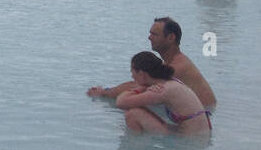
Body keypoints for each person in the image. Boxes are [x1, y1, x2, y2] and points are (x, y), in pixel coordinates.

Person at [87, 17, 216, 112]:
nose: (149, 37)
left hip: (205, 112)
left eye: (154, 34)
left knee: (132, 112)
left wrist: (105, 93)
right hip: (196, 110)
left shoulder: (178, 66)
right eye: (150, 33)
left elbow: (138, 85)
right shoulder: (170, 62)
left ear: (171, 38)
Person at [115, 52, 211, 135]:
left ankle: (138, 147)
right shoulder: (171, 82)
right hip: (199, 134)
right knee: (139, 107)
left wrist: (139, 89)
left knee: (132, 114)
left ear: (141, 73)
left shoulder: (161, 90)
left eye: (132, 72)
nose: (132, 76)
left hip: (189, 138)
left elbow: (120, 102)